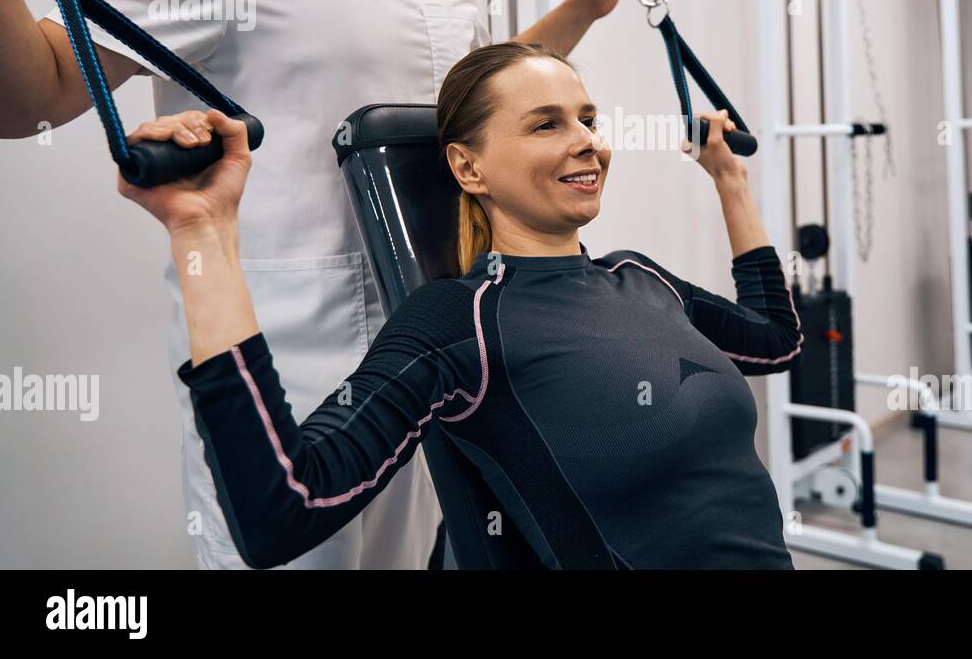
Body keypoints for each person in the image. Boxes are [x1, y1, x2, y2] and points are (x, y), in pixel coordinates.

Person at [0, 0, 665, 568]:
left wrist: (585, 5)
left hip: (430, 367)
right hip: (278, 383)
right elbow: (33, 96)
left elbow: (475, 100)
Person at [118, 41, 803, 569]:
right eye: (546, 125)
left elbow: (778, 339)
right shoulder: (459, 321)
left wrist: (731, 182)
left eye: (588, 119)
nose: (586, 141)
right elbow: (282, 506)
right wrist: (201, 232)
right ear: (468, 168)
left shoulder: (641, 279)